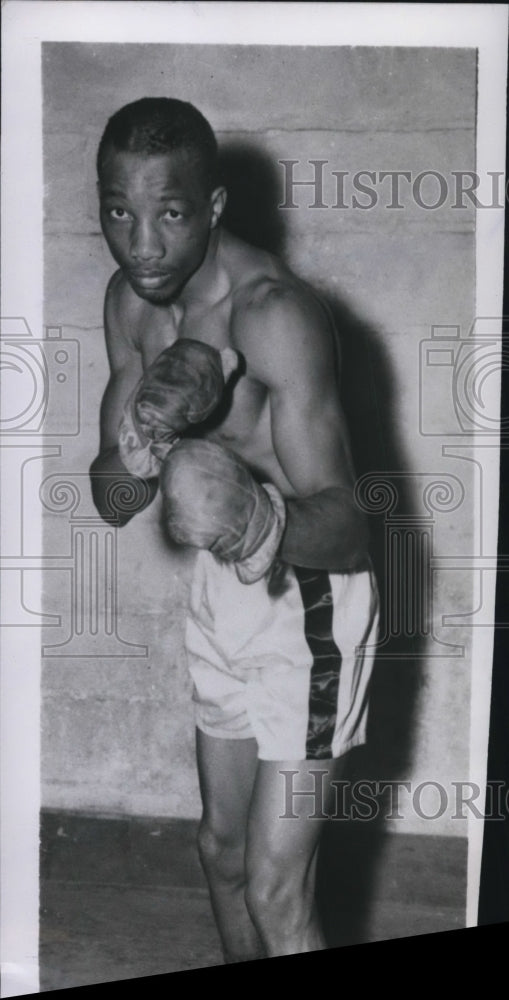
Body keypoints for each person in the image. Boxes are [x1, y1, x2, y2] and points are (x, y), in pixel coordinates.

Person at [89, 97, 379, 962]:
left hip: (312, 603)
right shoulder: (133, 305)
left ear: (213, 207)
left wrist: (257, 516)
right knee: (217, 851)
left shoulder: (274, 316)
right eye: (118, 212)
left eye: (169, 214)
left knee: (274, 887)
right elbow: (110, 499)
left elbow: (354, 530)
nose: (141, 244)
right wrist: (139, 451)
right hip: (222, 596)